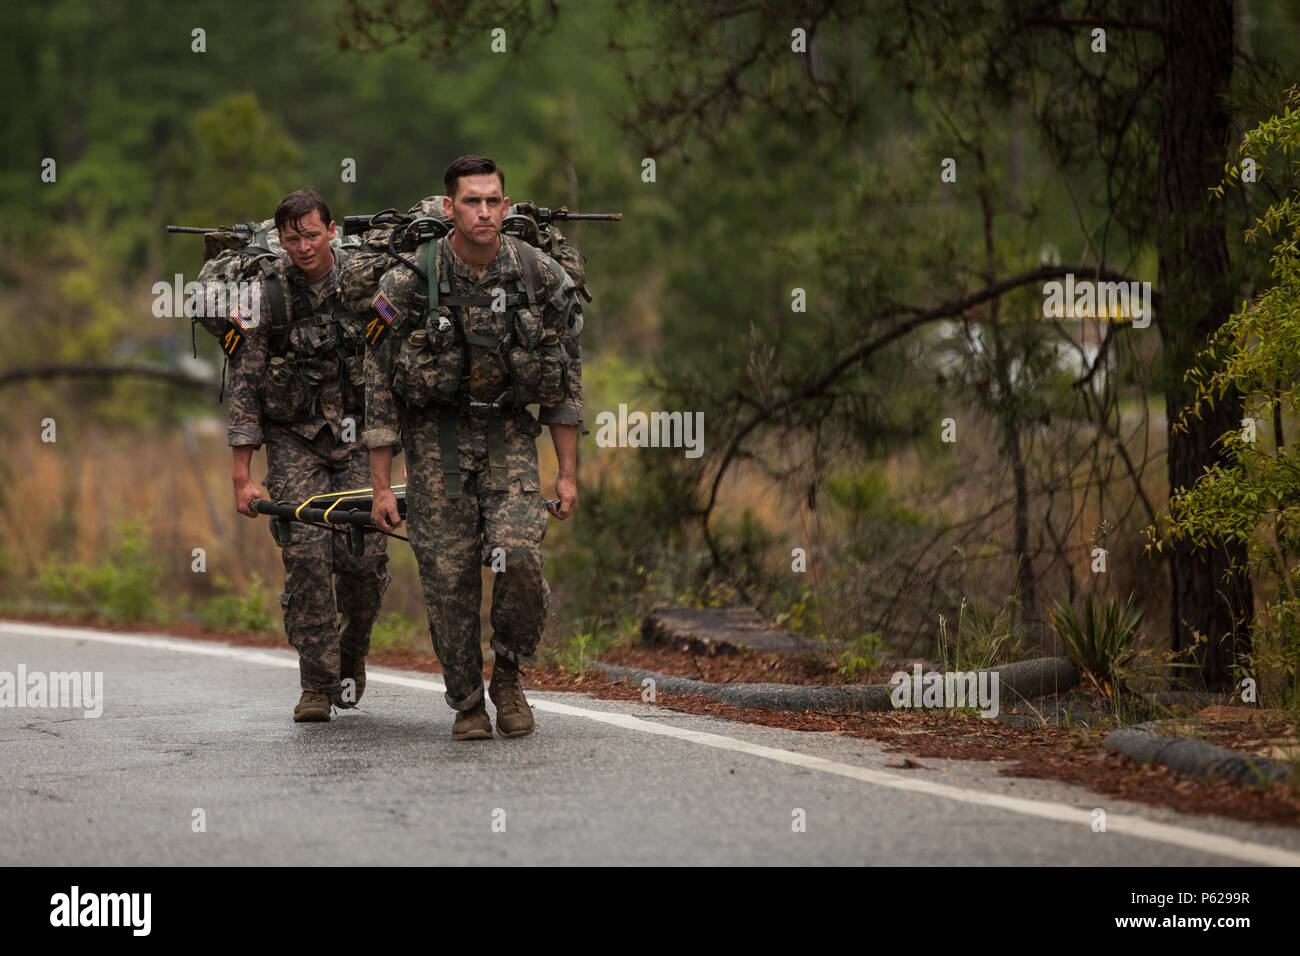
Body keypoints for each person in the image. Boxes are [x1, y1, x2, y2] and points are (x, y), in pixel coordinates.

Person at [360, 155, 583, 740]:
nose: (483, 212)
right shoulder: (409, 280)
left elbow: (566, 381)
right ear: (449, 208)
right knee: (448, 577)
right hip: (435, 443)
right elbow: (378, 380)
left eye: (492, 201)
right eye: (471, 201)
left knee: (522, 556)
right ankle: (466, 702)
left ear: (506, 208)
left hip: (510, 438)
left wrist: (566, 474)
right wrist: (383, 485)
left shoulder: (539, 275)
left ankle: (508, 675)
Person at [227, 188, 391, 723]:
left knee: (363, 563)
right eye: (292, 238)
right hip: (295, 437)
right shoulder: (266, 296)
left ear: (333, 230)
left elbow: (394, 365)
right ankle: (317, 685)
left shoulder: (365, 283)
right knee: (307, 553)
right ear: (279, 240)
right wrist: (242, 477)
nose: (303, 246)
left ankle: (352, 652)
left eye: (312, 234)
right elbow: (245, 386)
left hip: (359, 439)